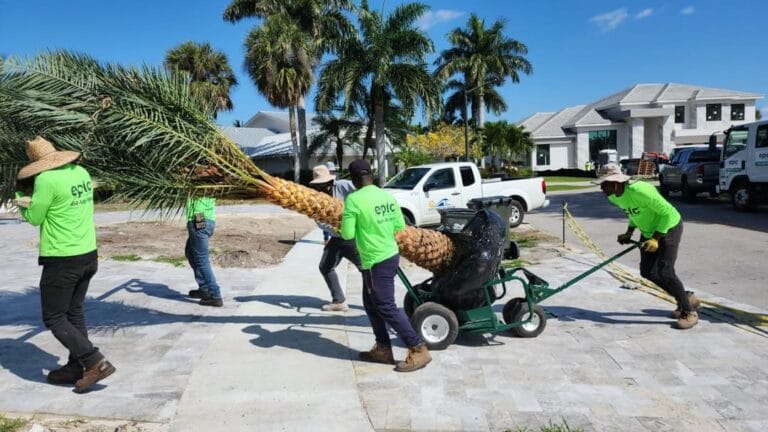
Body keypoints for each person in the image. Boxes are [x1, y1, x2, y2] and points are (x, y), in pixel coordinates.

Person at [13, 136, 116, 392]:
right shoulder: (80, 172)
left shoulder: (46, 180)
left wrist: (20, 200)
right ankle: (75, 366)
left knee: (54, 316)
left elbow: (36, 217)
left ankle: (95, 361)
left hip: (62, 258)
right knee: (74, 311)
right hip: (88, 254)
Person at [341, 159, 432, 372]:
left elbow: (347, 233)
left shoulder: (353, 199)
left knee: (385, 305)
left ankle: (418, 348)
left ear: (354, 179)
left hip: (374, 261)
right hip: (390, 255)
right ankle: (383, 348)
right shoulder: (386, 196)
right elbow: (399, 226)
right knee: (370, 303)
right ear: (371, 175)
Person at [592, 163, 700, 329]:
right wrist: (629, 232)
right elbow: (633, 212)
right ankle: (686, 297)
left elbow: (666, 213)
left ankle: (688, 312)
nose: (601, 188)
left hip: (669, 226)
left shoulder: (641, 190)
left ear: (615, 183)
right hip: (649, 231)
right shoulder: (614, 196)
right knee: (648, 272)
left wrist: (656, 239)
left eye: (604, 184)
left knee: (666, 271)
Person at [308, 164, 361, 312]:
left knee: (365, 268)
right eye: (319, 186)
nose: (322, 188)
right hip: (337, 237)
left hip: (353, 236)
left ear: (331, 182)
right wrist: (335, 228)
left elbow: (362, 193)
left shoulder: (344, 186)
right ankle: (339, 301)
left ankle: (378, 302)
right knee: (325, 267)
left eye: (324, 185)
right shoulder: (317, 199)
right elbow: (320, 223)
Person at [185, 196, 223, 307]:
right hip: (207, 221)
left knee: (202, 260)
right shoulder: (210, 183)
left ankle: (215, 296)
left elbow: (199, 206)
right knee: (190, 253)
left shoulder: (201, 186)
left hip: (199, 220)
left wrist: (199, 224)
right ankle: (204, 289)